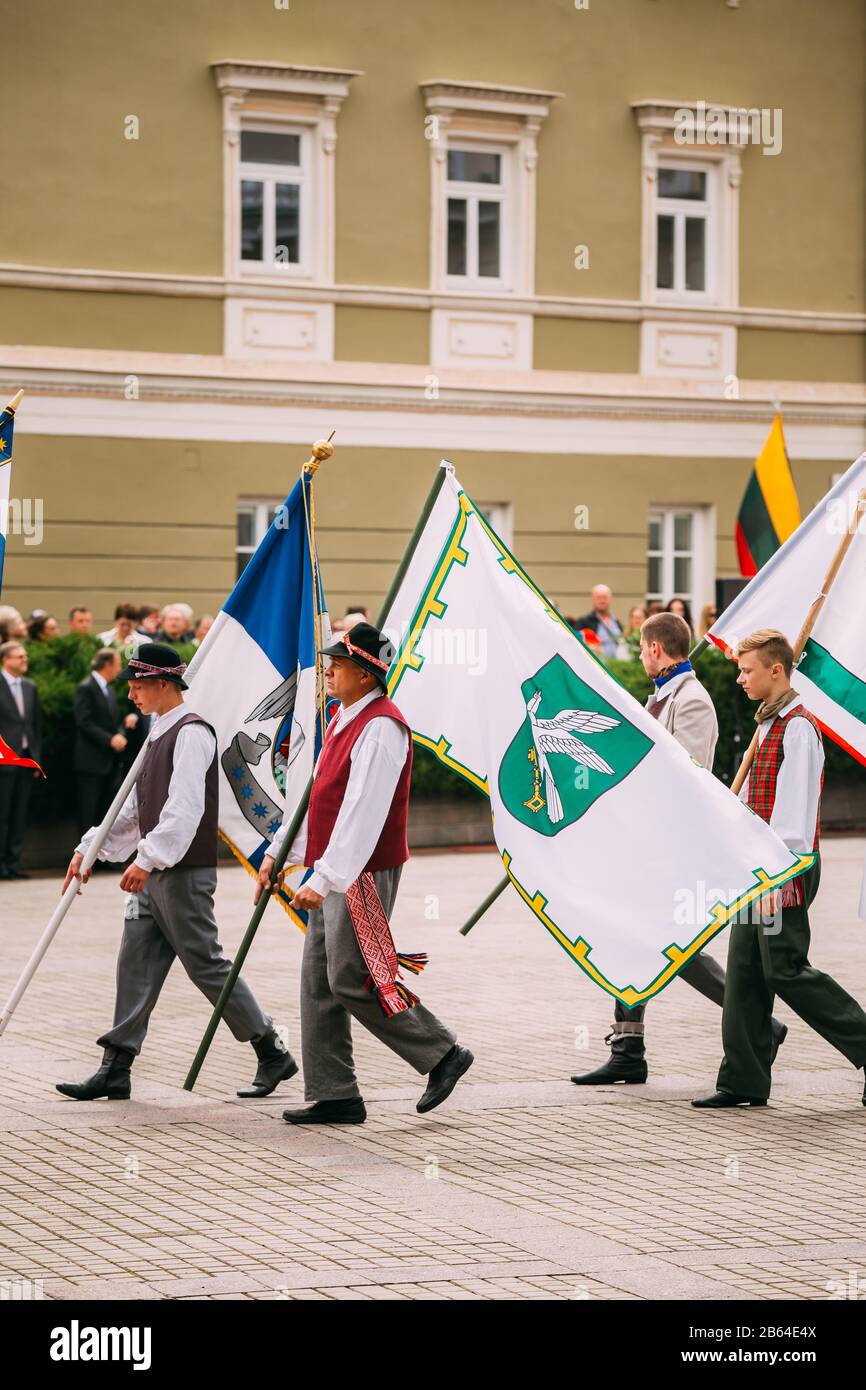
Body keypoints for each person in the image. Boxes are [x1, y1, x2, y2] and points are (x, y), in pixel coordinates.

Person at [56, 643, 296, 1102]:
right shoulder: (157, 731)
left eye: (138, 685)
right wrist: (89, 848)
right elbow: (132, 807)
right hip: (155, 871)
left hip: (183, 871)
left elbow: (184, 810)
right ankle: (116, 1066)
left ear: (164, 684)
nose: (131, 695)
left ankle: (270, 1049)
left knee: (204, 963)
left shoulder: (192, 733)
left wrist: (146, 859)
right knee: (135, 960)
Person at [257, 622, 473, 1125]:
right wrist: (281, 852)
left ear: (365, 673)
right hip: (335, 867)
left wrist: (324, 876)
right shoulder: (343, 718)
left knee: (350, 978)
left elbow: (363, 812)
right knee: (317, 979)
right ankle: (335, 1093)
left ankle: (441, 1052)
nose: (328, 670)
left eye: (339, 663)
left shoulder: (382, 726)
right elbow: (316, 796)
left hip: (361, 871)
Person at [572, 613, 787, 1086]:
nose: (643, 657)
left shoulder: (691, 701)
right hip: (648, 843)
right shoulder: (660, 697)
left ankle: (757, 1025)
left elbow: (685, 779)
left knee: (675, 949)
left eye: (644, 650)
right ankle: (629, 1045)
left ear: (654, 649)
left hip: (672, 845)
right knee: (639, 939)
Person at [693, 628, 866, 1109]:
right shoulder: (768, 723)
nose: (739, 679)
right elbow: (755, 800)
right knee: (746, 970)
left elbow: (795, 813)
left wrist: (774, 876)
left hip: (783, 870)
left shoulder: (798, 728)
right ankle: (742, 1079)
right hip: (757, 869)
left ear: (776, 669)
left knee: (786, 969)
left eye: (747, 670)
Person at [72, 649, 131, 836]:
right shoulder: (86, 687)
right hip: (91, 762)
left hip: (110, 762)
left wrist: (121, 731)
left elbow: (113, 722)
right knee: (88, 813)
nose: (119, 668)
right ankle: (84, 859)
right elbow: (84, 722)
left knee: (105, 812)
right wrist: (110, 739)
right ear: (107, 664)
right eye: (118, 664)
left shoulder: (109, 689)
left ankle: (102, 857)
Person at [0, 640, 43, 879]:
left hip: (25, 759)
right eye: (19, 657)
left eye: (25, 656)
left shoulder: (30, 687)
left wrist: (36, 758)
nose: (24, 659)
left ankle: (13, 863)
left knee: (18, 814)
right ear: (6, 660)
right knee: (2, 813)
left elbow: (36, 725)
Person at [573, 585, 623, 659]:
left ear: (610, 599)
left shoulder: (616, 621)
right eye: (599, 598)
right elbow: (575, 644)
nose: (602, 601)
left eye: (605, 597)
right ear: (593, 599)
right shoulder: (583, 621)